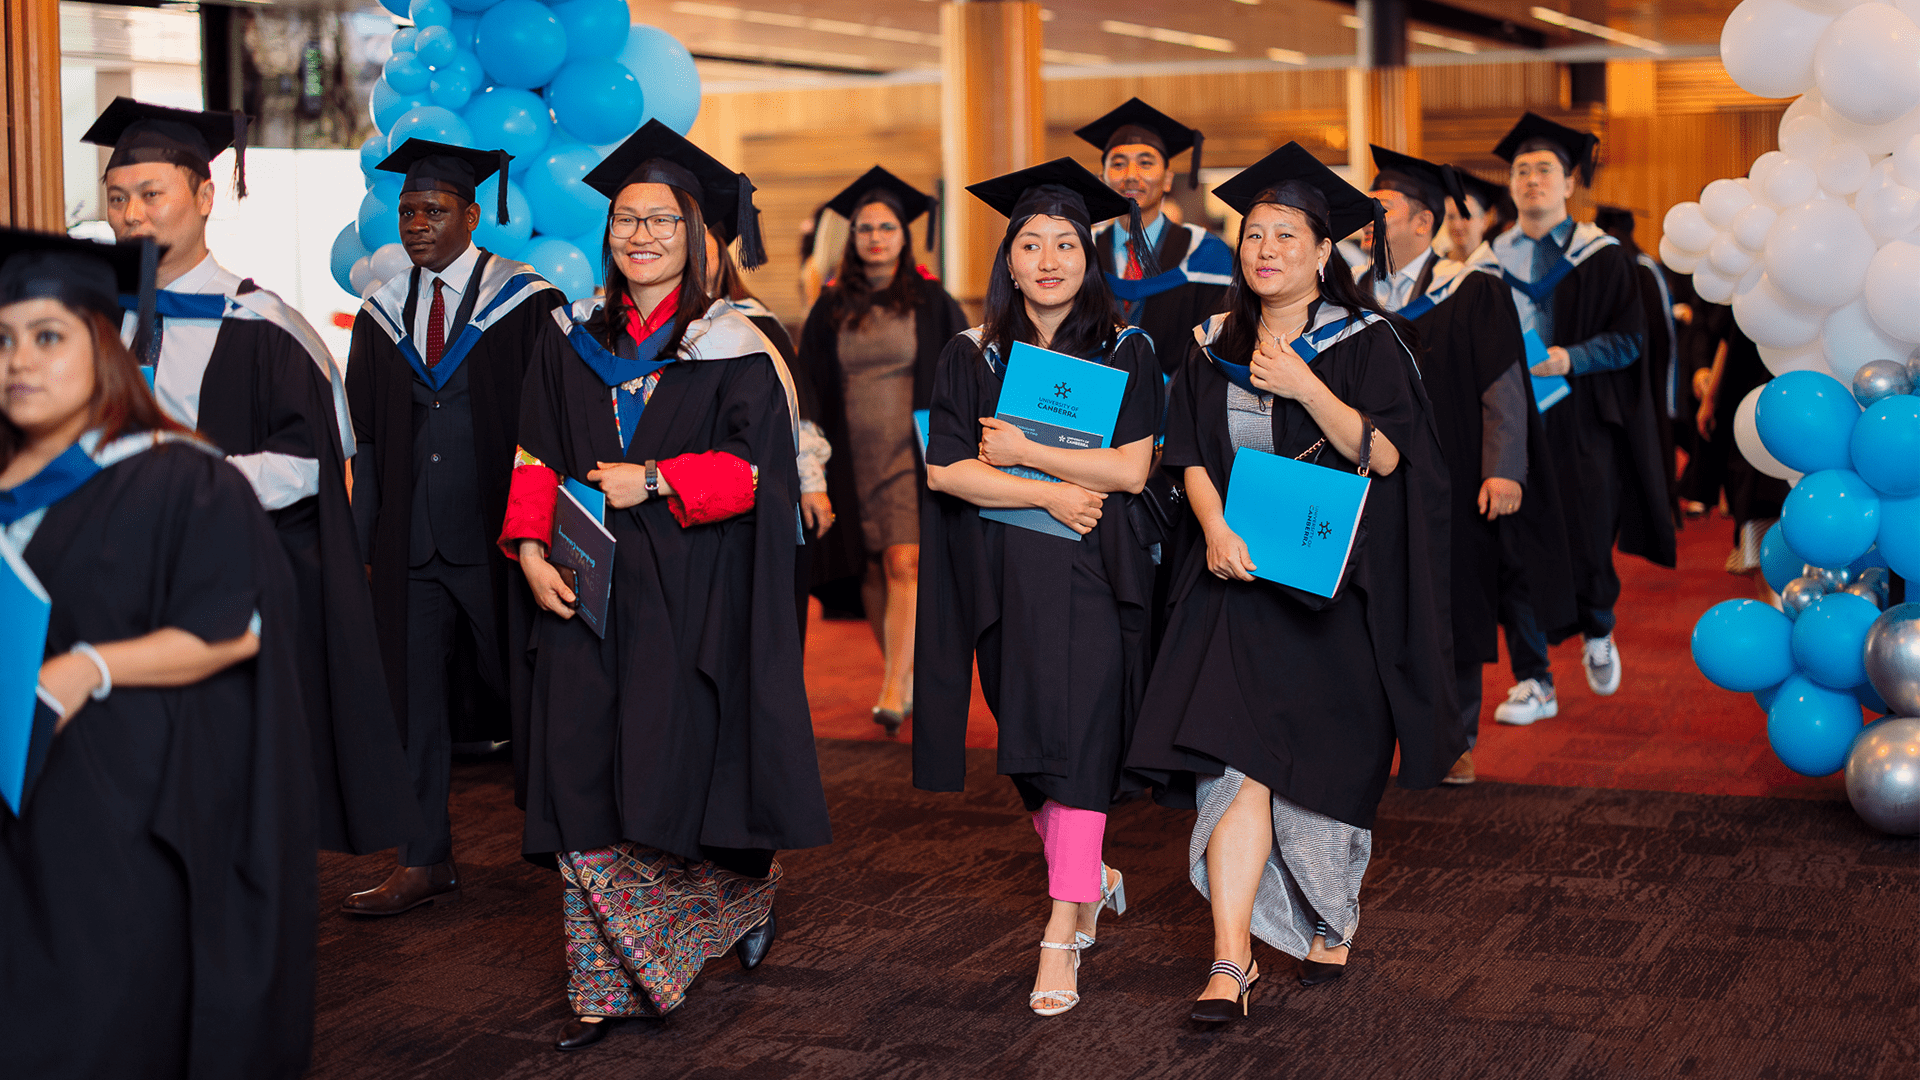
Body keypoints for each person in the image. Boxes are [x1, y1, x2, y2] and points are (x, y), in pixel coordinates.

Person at [497, 120, 831, 1050]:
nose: (640, 236)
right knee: (576, 767)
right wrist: (529, 548)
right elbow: (532, 452)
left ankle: (736, 899)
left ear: (695, 235)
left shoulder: (738, 343)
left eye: (661, 221)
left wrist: (656, 479)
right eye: (626, 220)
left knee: (665, 769)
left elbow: (758, 474)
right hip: (583, 581)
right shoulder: (567, 337)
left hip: (690, 590)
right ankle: (601, 983)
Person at [1124, 144, 1456, 1021]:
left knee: (1323, 769)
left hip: (1332, 593)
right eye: (1253, 234)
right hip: (1235, 584)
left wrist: (1307, 385)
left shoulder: (1367, 341)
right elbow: (1190, 455)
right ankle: (1230, 959)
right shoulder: (1211, 343)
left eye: (1285, 234)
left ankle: (1326, 912)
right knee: (1234, 766)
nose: (1264, 249)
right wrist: (1214, 528)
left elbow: (1387, 456)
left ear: (1322, 251)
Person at [0, 230, 315, 1078]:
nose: (19, 361)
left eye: (47, 336)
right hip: (12, 795)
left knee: (94, 1021)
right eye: (3, 339)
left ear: (104, 346)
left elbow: (235, 626)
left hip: (117, 799)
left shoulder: (178, 476)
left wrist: (83, 671)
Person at [82, 96, 420, 853]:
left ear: (204, 197)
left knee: (217, 790)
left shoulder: (264, 326)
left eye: (151, 194)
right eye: (117, 198)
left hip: (214, 586)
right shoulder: (86, 325)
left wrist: (182, 483)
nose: (132, 214)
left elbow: (310, 466)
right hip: (102, 585)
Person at [914, 157, 1162, 1017]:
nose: (1049, 259)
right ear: (1009, 261)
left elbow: (1131, 470)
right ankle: (1088, 872)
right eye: (1031, 244)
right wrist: (1050, 491)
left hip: (1093, 569)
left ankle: (1063, 930)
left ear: (1089, 260)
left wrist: (1026, 454)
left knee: (1081, 742)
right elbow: (947, 471)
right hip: (1000, 575)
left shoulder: (1127, 348)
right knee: (1026, 743)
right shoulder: (970, 353)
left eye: (1066, 243)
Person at [341, 140, 565, 915]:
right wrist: (365, 543)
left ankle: (572, 848)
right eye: (407, 211)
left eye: (433, 211)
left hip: (503, 538)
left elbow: (552, 429)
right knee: (413, 706)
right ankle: (422, 859)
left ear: (472, 217)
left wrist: (546, 532)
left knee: (532, 689)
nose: (416, 224)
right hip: (411, 543)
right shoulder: (382, 312)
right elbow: (369, 439)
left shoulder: (526, 302)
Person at [1363, 146, 1575, 786]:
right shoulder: (1347, 297)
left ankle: (1453, 741)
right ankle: (1367, 740)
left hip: (1450, 481)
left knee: (1451, 603)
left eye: (1381, 208)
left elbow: (1503, 386)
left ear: (1422, 222)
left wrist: (1504, 469)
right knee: (1372, 603)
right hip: (1364, 476)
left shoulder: (1472, 289)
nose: (1367, 220)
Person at [1463, 115, 1675, 725]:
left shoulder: (1602, 257)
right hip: (1510, 426)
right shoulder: (1485, 263)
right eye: (1521, 170)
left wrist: (1569, 359)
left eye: (1544, 170)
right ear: (1510, 184)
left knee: (1589, 538)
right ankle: (1534, 679)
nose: (1532, 180)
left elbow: (1631, 340)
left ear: (1569, 183)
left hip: (1581, 422)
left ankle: (1598, 625)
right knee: (1512, 548)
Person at [796, 166, 968, 734]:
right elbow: (809, 384)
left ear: (904, 236)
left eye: (886, 227)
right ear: (852, 238)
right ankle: (901, 667)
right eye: (865, 228)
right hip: (850, 455)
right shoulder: (829, 308)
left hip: (911, 452)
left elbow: (964, 369)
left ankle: (894, 683)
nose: (875, 237)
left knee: (904, 560)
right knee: (868, 565)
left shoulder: (932, 301)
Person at [702, 221, 835, 643]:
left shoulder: (755, 323)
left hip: (754, 490)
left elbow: (798, 412)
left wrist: (812, 484)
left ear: (722, 259)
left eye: (704, 251)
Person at [1074, 98, 1232, 374]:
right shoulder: (1079, 251)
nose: (1131, 176)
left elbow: (1216, 348)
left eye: (1145, 163)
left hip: (1178, 397)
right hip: (1090, 394)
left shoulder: (1206, 254)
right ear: (1102, 179)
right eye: (1118, 164)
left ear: (1168, 179)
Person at [1595, 203, 1680, 524]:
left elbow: (1661, 332)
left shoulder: (1639, 268)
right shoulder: (1633, 266)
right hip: (1636, 373)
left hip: (1634, 373)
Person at [1442, 170, 1510, 260]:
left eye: (1466, 216)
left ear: (1485, 221)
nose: (1457, 225)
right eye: (1451, 217)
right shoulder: (1435, 265)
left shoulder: (1497, 264)